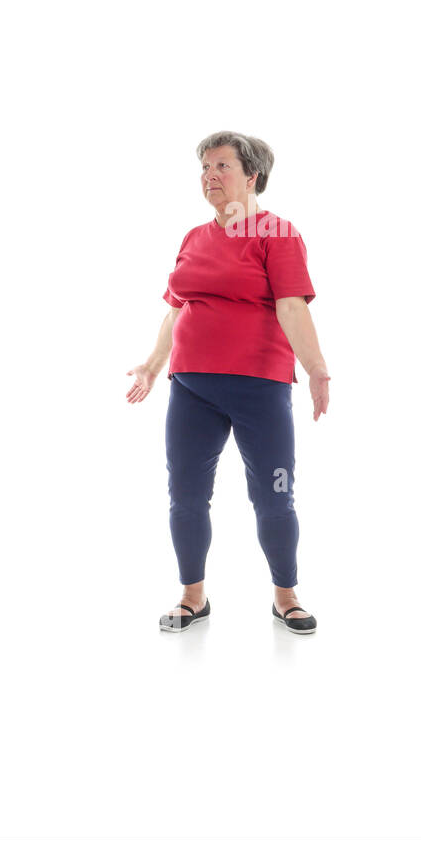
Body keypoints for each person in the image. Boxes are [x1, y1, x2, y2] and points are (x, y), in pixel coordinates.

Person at [126, 131, 329, 635]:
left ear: (251, 176)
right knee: (186, 496)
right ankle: (193, 595)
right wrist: (153, 364)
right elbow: (178, 307)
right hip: (192, 387)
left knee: (274, 496)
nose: (209, 176)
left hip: (260, 388)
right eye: (204, 167)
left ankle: (286, 595)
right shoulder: (194, 237)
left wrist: (318, 368)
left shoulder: (277, 233)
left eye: (221, 166)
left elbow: (291, 307)